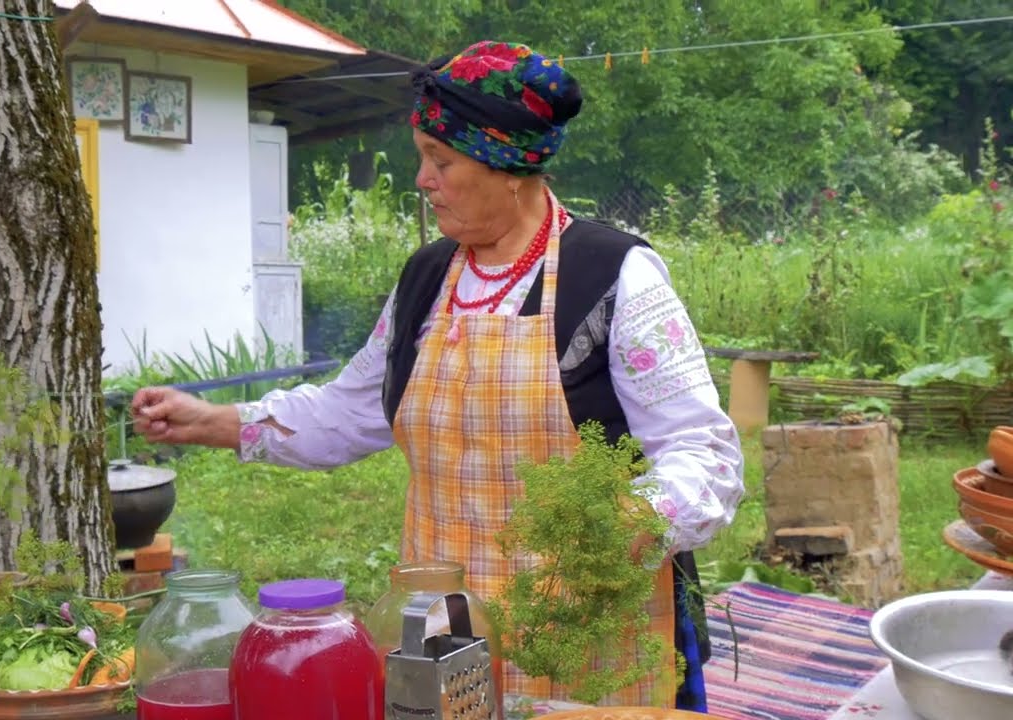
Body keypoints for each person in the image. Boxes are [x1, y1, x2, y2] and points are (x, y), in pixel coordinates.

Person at [132, 40, 744, 712]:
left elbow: (705, 457)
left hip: (584, 636)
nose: (423, 178)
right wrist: (214, 421)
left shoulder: (614, 278)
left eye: (440, 160)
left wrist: (632, 517)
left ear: (506, 167)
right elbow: (350, 411)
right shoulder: (427, 280)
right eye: (424, 156)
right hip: (442, 639)